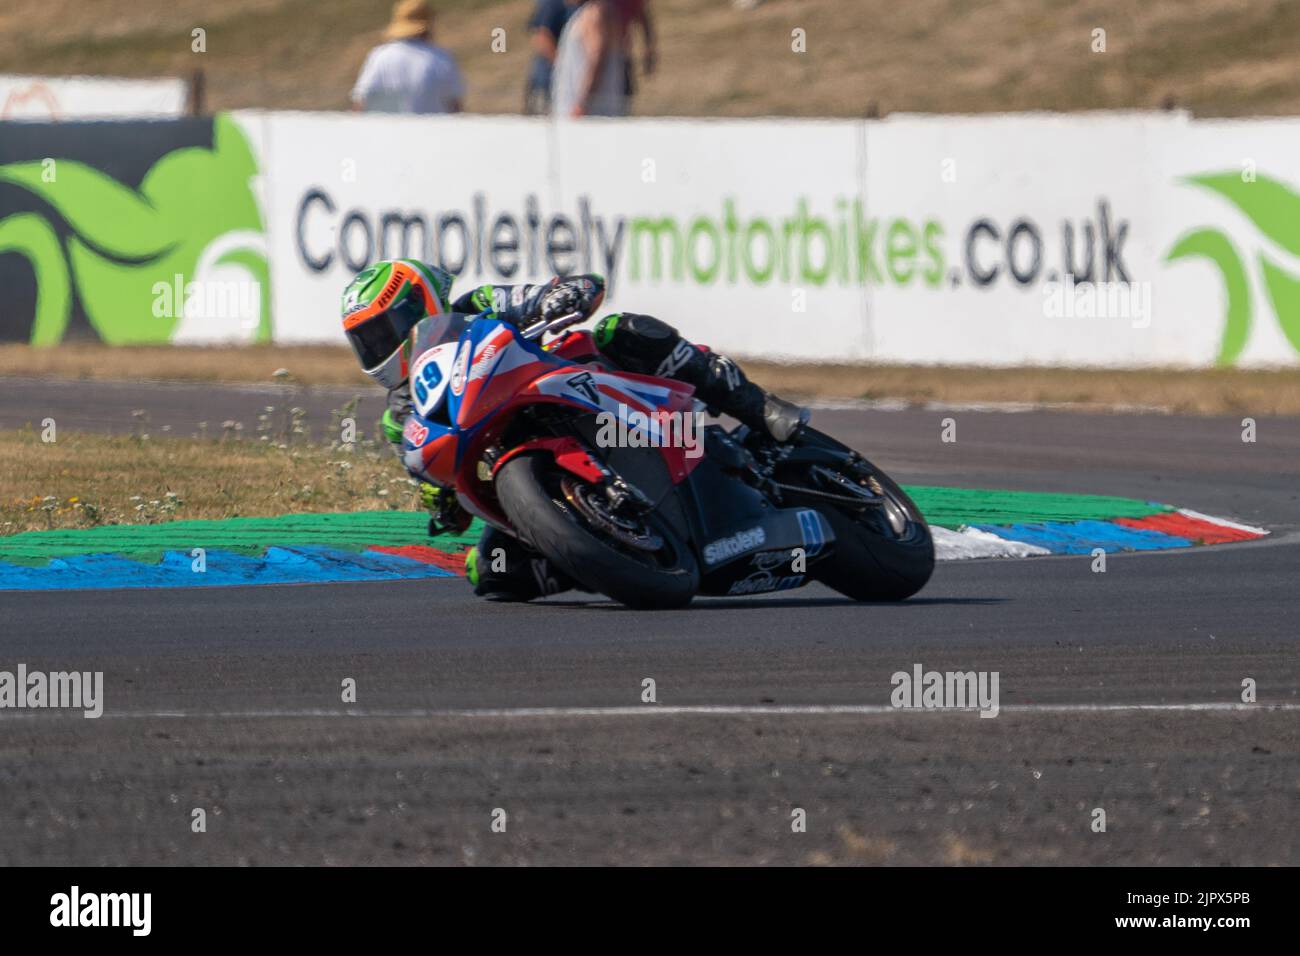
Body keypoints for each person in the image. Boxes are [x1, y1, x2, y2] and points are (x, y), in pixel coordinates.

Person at [339, 259, 808, 601]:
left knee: (619, 331)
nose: (380, 346)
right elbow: (429, 476)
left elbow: (546, 294)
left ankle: (755, 405)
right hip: (516, 459)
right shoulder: (400, 413)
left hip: (572, 387)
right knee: (490, 574)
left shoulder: (476, 307)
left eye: (386, 329)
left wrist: (560, 295)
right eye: (368, 340)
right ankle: (608, 556)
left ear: (420, 302)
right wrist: (440, 500)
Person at [351, 0, 465, 115]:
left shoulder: (380, 56)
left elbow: (360, 102)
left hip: (386, 131)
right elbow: (455, 106)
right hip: (433, 131)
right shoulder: (441, 58)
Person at [550, 0, 626, 117]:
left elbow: (596, 59)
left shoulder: (594, 14)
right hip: (583, 112)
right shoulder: (595, 12)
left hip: (588, 114)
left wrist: (582, 104)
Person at [524, 0, 578, 115]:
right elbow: (541, 36)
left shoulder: (586, 5)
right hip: (547, 82)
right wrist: (565, 68)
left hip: (571, 88)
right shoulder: (552, 3)